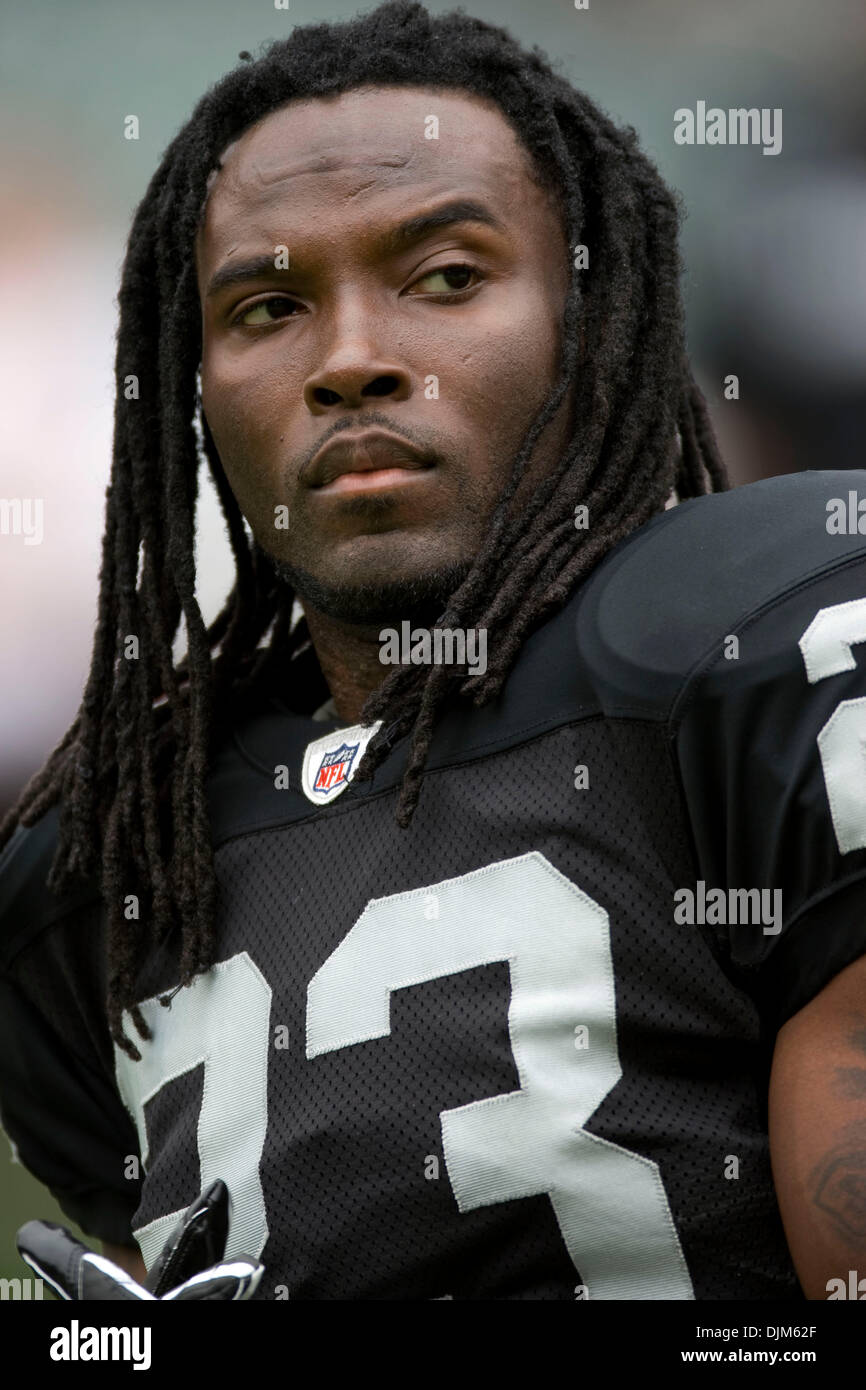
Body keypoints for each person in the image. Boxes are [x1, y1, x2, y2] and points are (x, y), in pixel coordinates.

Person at [2, 0, 865, 1301]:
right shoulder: (108, 866)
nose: (350, 359)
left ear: (594, 319)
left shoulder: (777, 637)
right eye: (268, 306)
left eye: (448, 277)